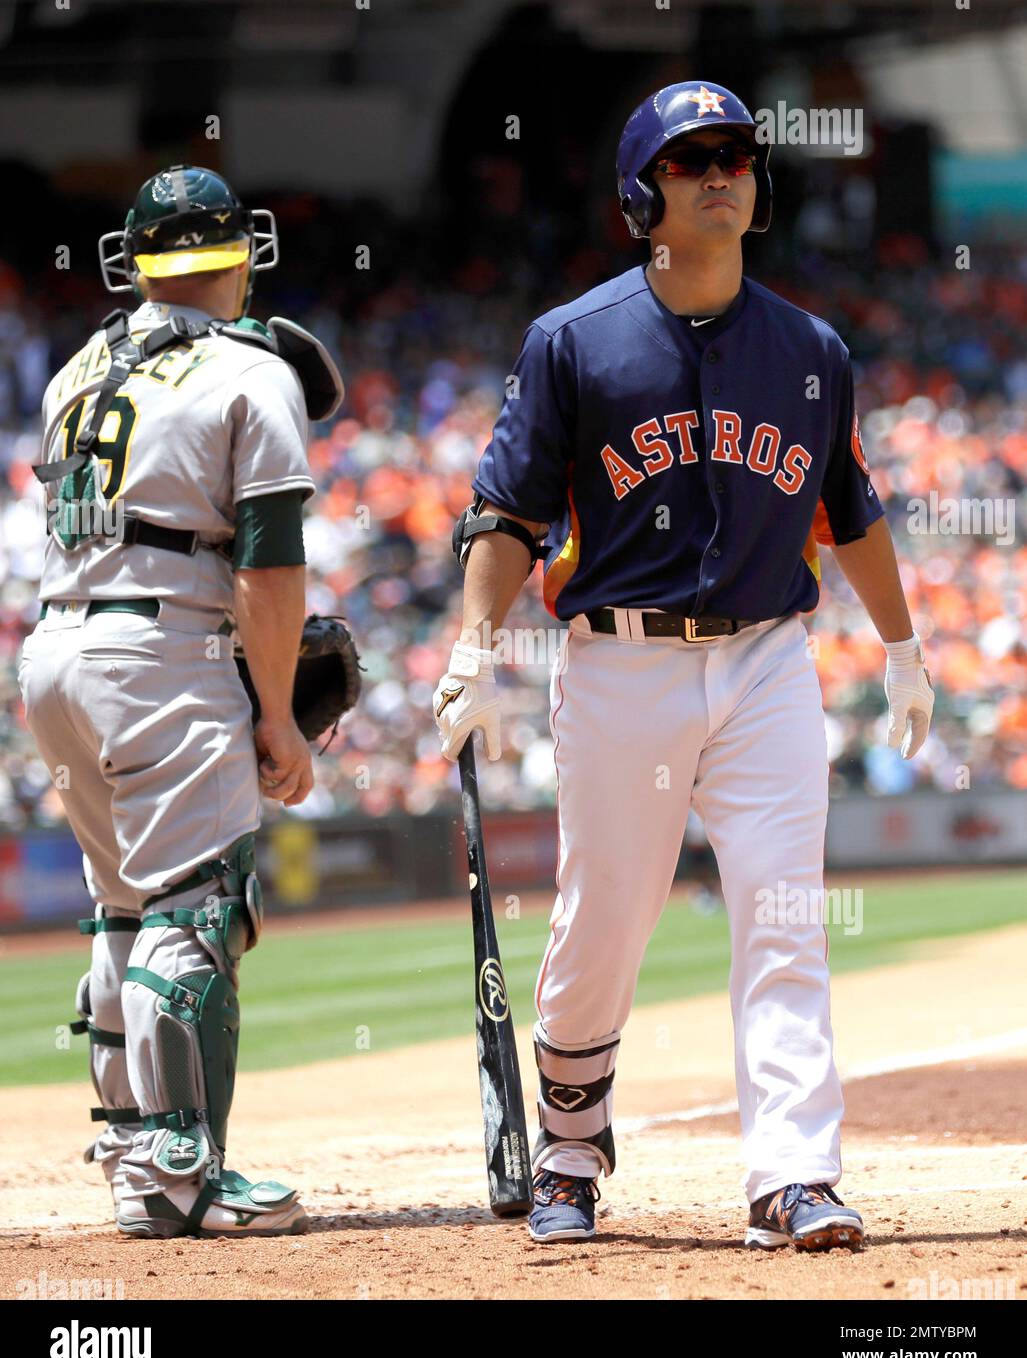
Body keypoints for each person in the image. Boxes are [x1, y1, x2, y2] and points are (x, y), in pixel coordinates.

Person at [434, 83, 935, 1249]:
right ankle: (568, 1148)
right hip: (622, 666)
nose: (721, 172)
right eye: (690, 157)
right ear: (639, 195)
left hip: (767, 660)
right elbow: (505, 513)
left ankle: (794, 1173)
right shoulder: (573, 342)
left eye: (739, 155)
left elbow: (849, 511)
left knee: (784, 913)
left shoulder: (809, 349)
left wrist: (903, 647)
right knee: (603, 916)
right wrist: (474, 646)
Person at [19, 165, 342, 1237]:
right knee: (196, 905)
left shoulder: (76, 369)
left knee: (124, 909)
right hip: (159, 653)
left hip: (55, 652)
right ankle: (179, 1169)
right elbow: (269, 559)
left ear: (136, 261)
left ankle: (130, 1148)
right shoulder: (251, 369)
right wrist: (277, 712)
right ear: (242, 255)